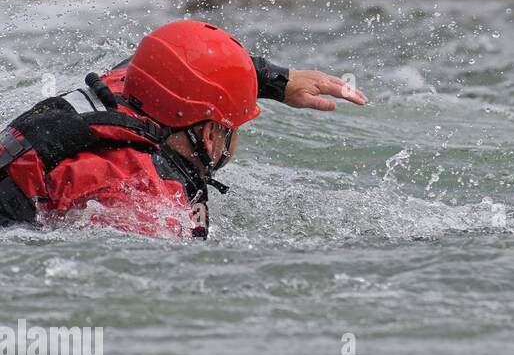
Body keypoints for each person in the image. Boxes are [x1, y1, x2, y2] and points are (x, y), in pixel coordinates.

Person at [0, 20, 367, 238]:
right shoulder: (140, 196)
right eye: (234, 127)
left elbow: (177, 56)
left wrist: (276, 80)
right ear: (210, 135)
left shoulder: (129, 87)